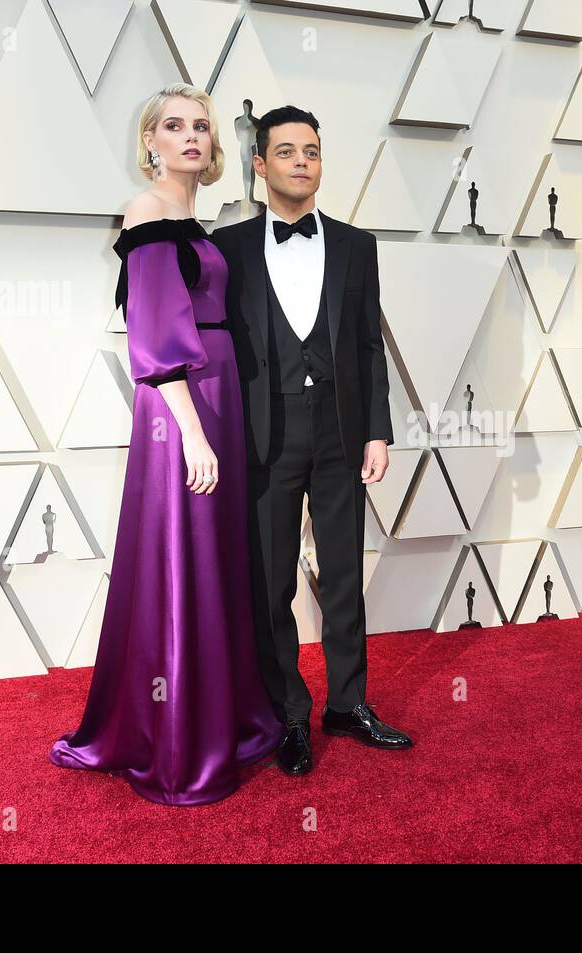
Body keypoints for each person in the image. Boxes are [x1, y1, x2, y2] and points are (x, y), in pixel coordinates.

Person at [49, 84, 281, 805]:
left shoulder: (194, 219)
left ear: (214, 145)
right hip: (180, 405)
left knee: (213, 559)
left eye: (202, 127)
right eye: (173, 125)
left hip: (217, 396)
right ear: (149, 140)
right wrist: (191, 431)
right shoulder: (146, 211)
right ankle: (177, 739)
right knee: (183, 554)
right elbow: (151, 334)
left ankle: (215, 715)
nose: (190, 136)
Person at [209, 106, 412, 776]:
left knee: (344, 575)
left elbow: (367, 344)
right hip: (263, 434)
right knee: (269, 585)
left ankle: (348, 704)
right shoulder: (229, 247)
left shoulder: (359, 245)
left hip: (341, 430)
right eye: (287, 150)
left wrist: (379, 428)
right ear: (260, 164)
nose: (302, 160)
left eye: (313, 150)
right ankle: (288, 714)